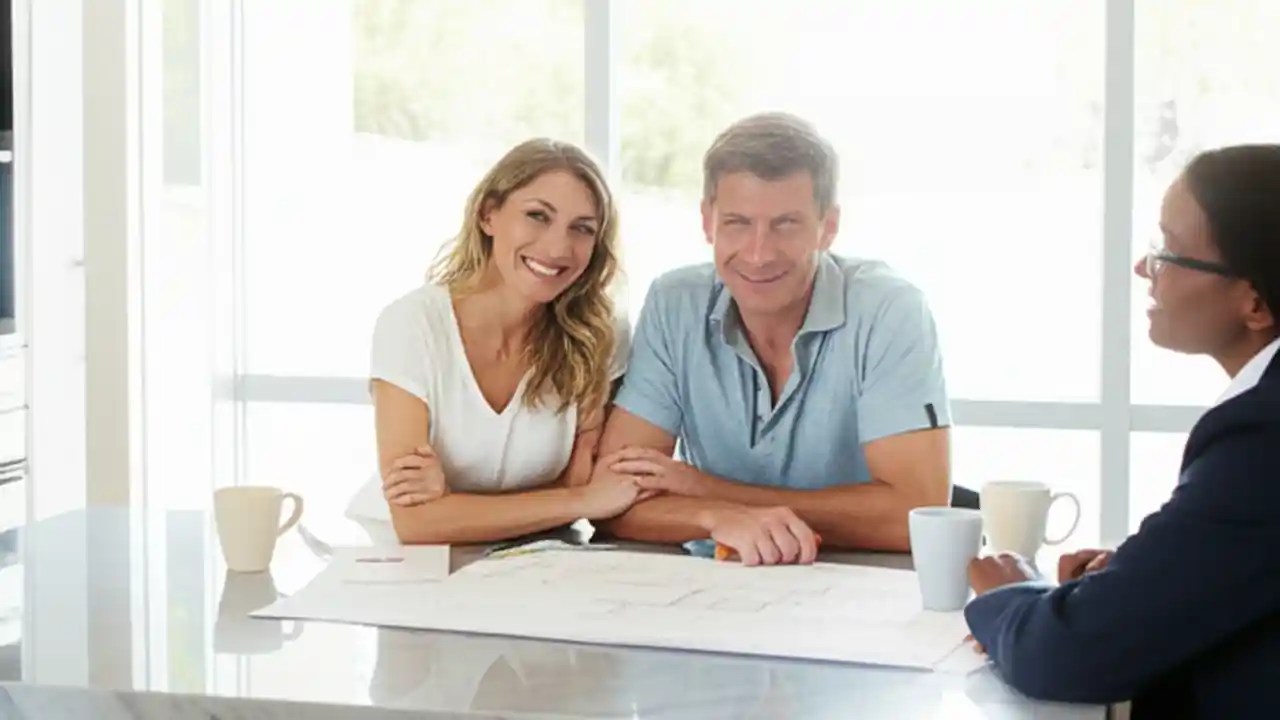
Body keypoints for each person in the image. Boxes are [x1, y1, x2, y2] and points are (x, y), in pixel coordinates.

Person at [965, 145, 1280, 718]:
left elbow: (1065, 657)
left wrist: (1011, 594)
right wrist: (1146, 578)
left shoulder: (1263, 436)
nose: (1145, 268)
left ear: (1254, 303)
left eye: (1169, 252)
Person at [593, 112, 952, 565]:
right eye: (738, 223)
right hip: (720, 584)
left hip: (860, 587)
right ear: (708, 221)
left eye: (786, 224)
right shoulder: (674, 304)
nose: (759, 253)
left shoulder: (889, 310)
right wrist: (715, 517)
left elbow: (916, 516)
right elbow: (613, 500)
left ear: (828, 226)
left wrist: (708, 490)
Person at [345, 139, 642, 545]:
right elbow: (418, 523)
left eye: (582, 228)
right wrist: (576, 500)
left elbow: (588, 485)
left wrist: (454, 502)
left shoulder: (599, 333)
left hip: (537, 563)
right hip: (412, 570)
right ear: (489, 214)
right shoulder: (414, 325)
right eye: (537, 216)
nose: (558, 247)